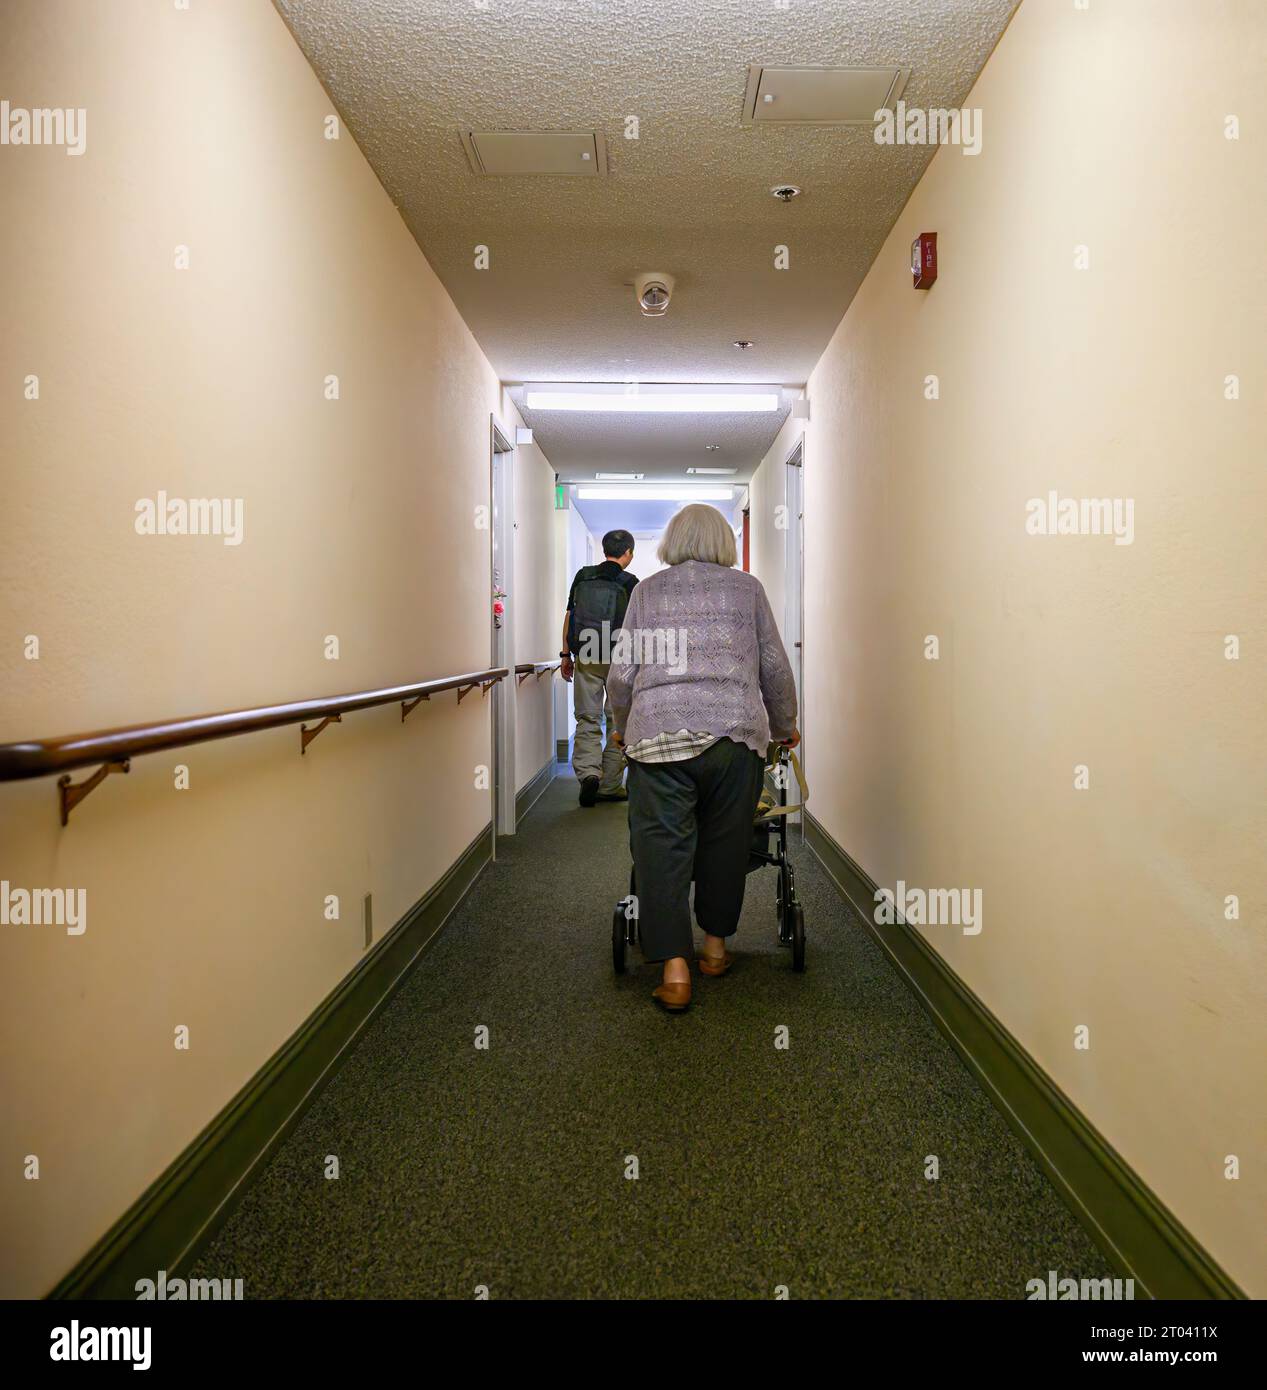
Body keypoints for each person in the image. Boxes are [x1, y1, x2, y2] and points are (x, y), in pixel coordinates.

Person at [608, 504, 799, 1012]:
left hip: (658, 737)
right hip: (734, 737)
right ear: (724, 543)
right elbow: (775, 666)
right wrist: (785, 726)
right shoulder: (747, 590)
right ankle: (714, 950)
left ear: (672, 541)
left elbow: (622, 675)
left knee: (661, 849)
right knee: (725, 842)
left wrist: (622, 728)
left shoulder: (646, 591)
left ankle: (674, 971)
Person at [559, 529, 639, 807]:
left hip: (587, 656)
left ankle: (588, 774)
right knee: (618, 721)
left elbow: (570, 615)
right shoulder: (631, 583)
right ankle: (610, 785)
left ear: (604, 549)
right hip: (620, 659)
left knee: (587, 718)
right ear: (628, 552)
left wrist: (565, 655)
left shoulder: (583, 576)